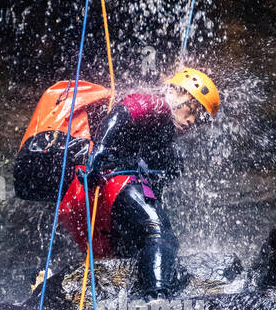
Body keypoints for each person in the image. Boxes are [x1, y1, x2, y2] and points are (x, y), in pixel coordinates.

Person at [56, 68, 220, 297]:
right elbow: (122, 113)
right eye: (191, 109)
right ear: (177, 92)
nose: (192, 120)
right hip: (112, 182)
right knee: (159, 233)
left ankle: (126, 303)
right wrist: (100, 152)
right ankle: (157, 298)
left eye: (198, 119)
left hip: (92, 196)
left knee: (129, 254)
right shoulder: (157, 104)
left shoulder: (162, 133)